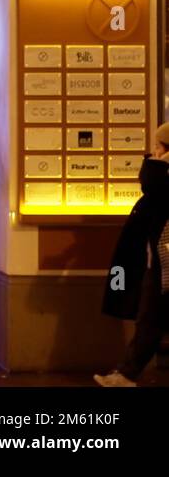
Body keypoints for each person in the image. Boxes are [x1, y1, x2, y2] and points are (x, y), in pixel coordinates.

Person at [95, 122, 169, 387]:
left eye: (157, 147)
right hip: (157, 266)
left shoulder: (162, 180)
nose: (153, 152)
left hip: (164, 268)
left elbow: (152, 182)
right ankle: (126, 374)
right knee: (149, 321)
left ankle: (126, 375)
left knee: (149, 320)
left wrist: (160, 162)